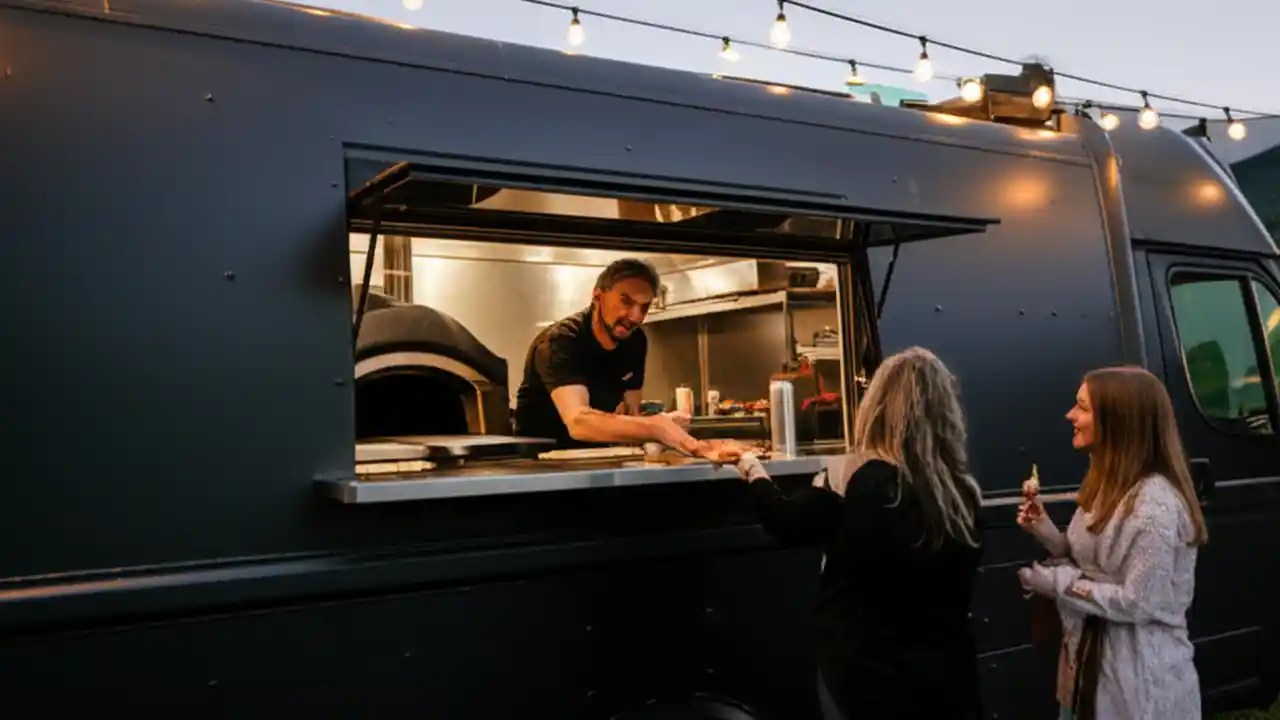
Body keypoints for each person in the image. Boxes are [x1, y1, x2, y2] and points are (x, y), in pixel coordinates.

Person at [729, 346, 984, 720]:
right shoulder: (961, 492)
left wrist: (752, 470)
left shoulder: (857, 477)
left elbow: (787, 520)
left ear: (876, 406)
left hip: (866, 673)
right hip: (945, 673)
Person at [1017, 366, 1207, 720]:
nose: (1070, 415)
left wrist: (1058, 584)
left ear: (1118, 420)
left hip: (1138, 687)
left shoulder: (1154, 506)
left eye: (1082, 407)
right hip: (1091, 667)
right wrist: (1046, 533)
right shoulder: (1106, 484)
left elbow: (1139, 601)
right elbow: (1094, 562)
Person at [513, 257, 705, 455]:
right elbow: (579, 423)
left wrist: (659, 422)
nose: (636, 316)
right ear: (598, 296)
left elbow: (633, 412)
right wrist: (656, 427)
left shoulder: (635, 341)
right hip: (543, 464)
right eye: (626, 302)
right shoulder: (561, 341)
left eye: (644, 307)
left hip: (599, 460)